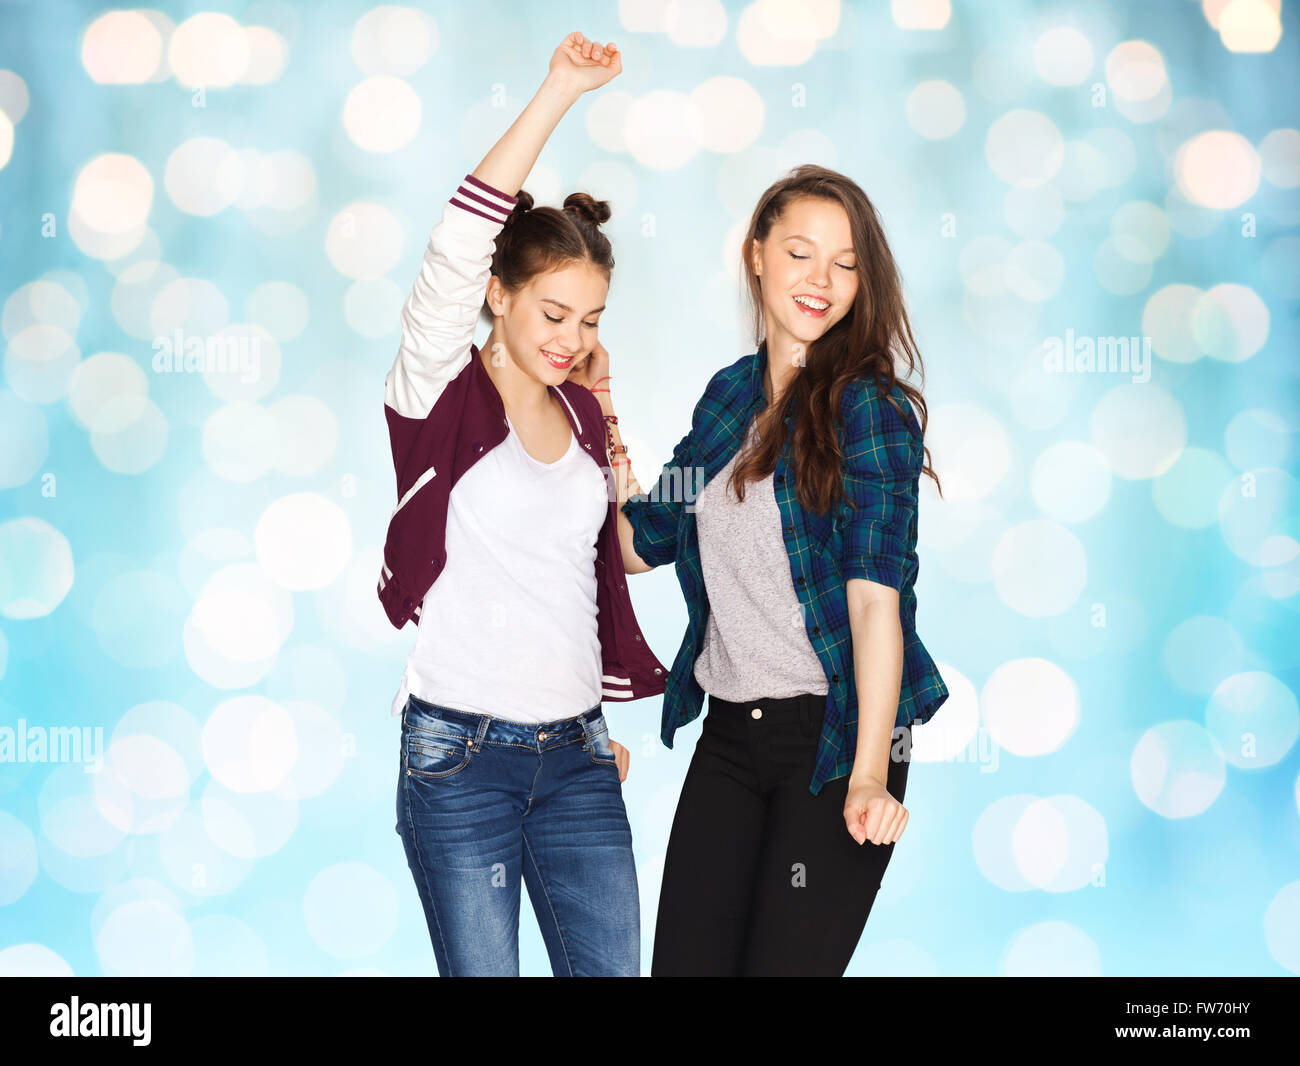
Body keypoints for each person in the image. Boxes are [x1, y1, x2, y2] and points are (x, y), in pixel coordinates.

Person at [616, 164, 951, 976]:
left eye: (846, 264)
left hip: (834, 736)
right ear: (757, 255)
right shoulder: (728, 399)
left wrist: (868, 774)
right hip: (731, 737)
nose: (821, 281)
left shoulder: (869, 410)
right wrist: (597, 411)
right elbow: (638, 542)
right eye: (801, 253)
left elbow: (876, 603)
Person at [380, 32, 666, 977]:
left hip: (580, 758)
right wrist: (560, 91)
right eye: (553, 313)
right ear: (497, 295)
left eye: (589, 319)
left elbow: (630, 548)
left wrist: (609, 400)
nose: (570, 337)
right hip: (460, 759)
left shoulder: (580, 411)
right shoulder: (439, 390)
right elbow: (458, 238)